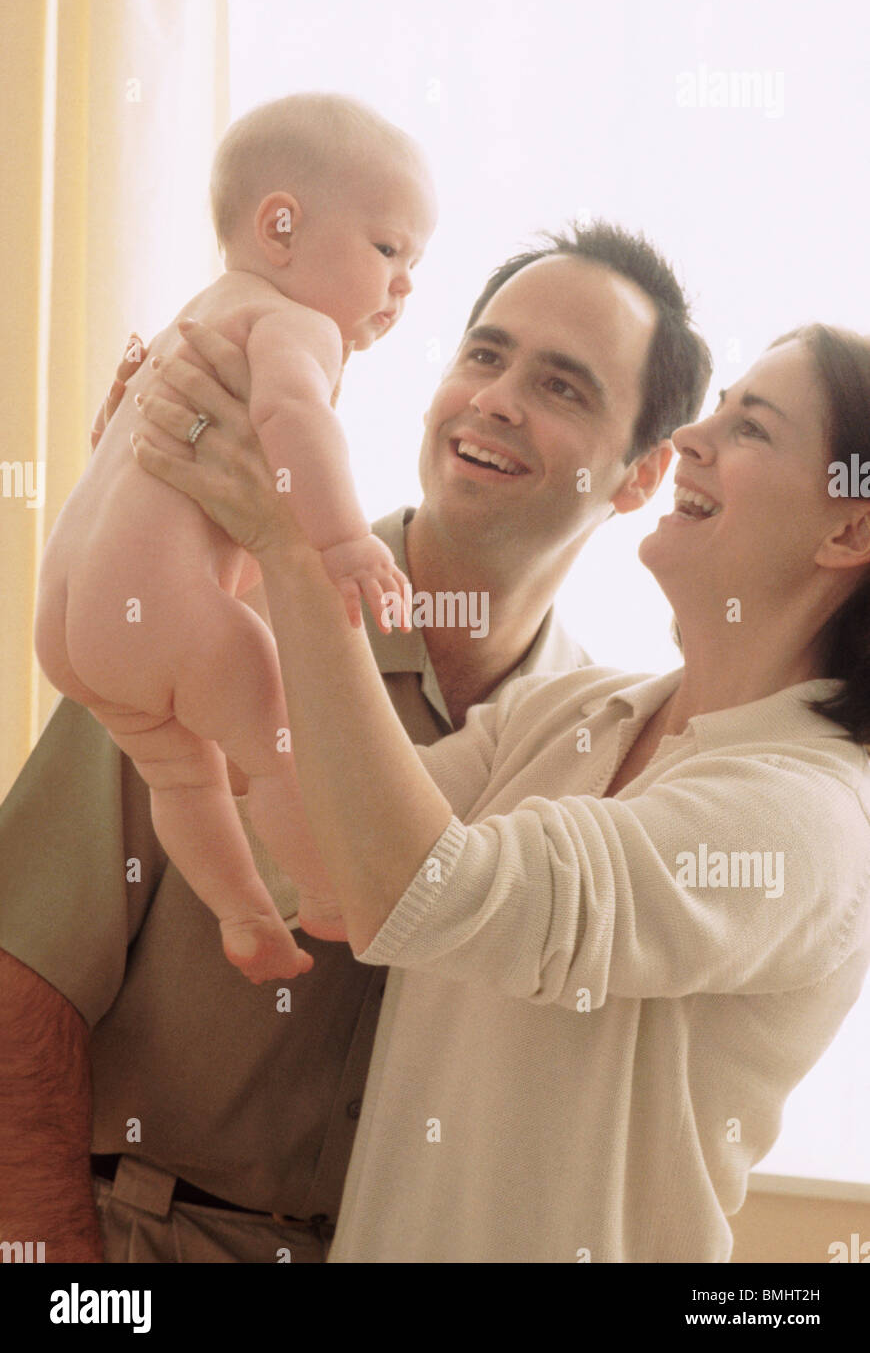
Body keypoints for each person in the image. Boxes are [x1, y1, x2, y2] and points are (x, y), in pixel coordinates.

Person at [0, 220, 711, 1262]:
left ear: (640, 476)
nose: (497, 399)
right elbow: (21, 977)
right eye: (485, 354)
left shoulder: (598, 756)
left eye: (562, 386)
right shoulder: (204, 600)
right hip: (123, 1242)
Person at [133, 319, 870, 1263]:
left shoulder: (811, 817)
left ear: (850, 526)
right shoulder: (570, 710)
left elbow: (435, 892)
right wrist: (190, 538)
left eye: (753, 429)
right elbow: (322, 864)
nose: (693, 438)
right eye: (716, 410)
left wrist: (291, 539)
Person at [33, 93, 436, 983]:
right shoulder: (299, 326)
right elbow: (296, 420)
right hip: (167, 618)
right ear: (280, 226)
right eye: (388, 249)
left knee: (181, 775)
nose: (405, 285)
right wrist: (340, 543)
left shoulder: (201, 314)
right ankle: (330, 896)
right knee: (276, 745)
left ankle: (245, 914)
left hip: (65, 623)